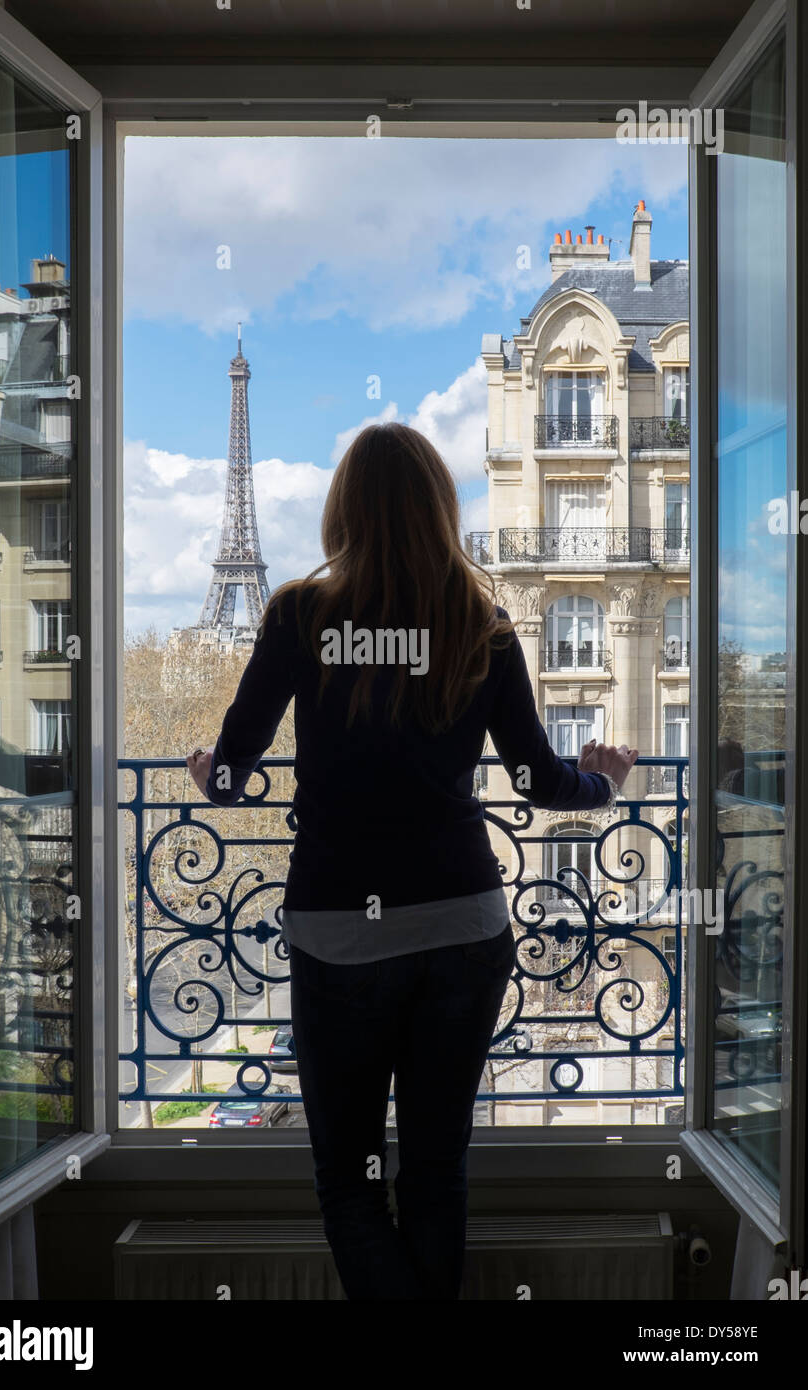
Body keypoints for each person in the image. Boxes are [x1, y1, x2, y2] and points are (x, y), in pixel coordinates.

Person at [187, 421, 638, 1301]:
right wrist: (605, 784)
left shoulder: (298, 614)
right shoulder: (482, 623)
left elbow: (235, 775)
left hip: (336, 933)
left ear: (341, 508)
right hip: (461, 925)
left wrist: (212, 777)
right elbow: (539, 781)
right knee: (435, 1170)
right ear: (440, 508)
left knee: (350, 1185)